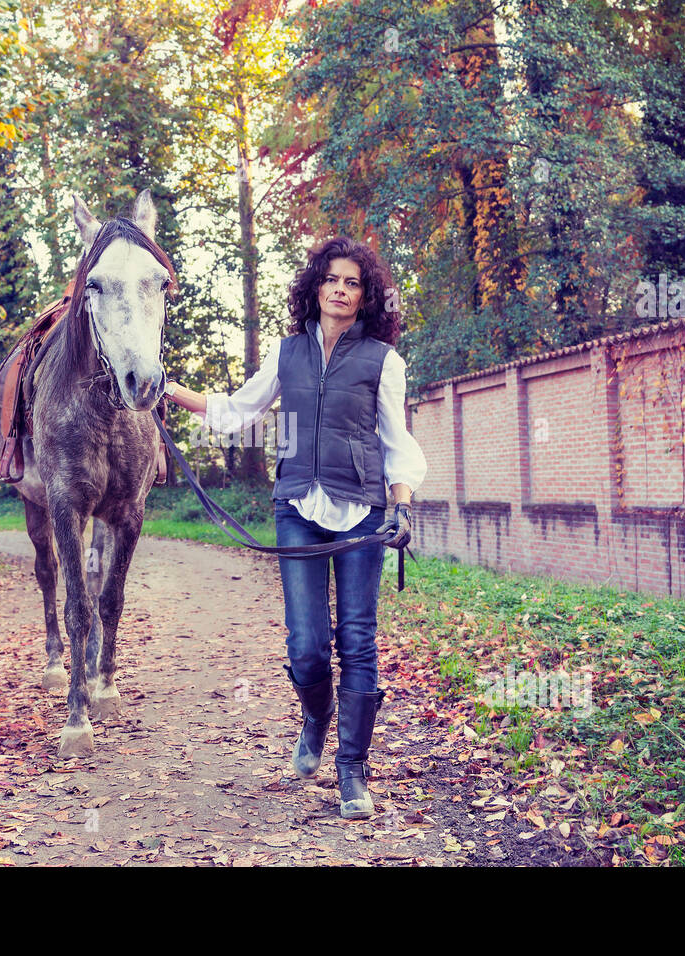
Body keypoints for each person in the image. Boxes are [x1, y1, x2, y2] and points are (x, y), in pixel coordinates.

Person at [162, 236, 427, 819]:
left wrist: (401, 506)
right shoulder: (287, 355)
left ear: (365, 296)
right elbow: (237, 411)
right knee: (306, 646)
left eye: (353, 282)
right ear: (316, 287)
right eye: (332, 278)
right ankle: (315, 716)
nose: (340, 288)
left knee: (358, 640)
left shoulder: (384, 362)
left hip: (362, 512)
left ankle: (352, 771)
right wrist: (167, 390)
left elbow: (397, 442)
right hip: (297, 509)